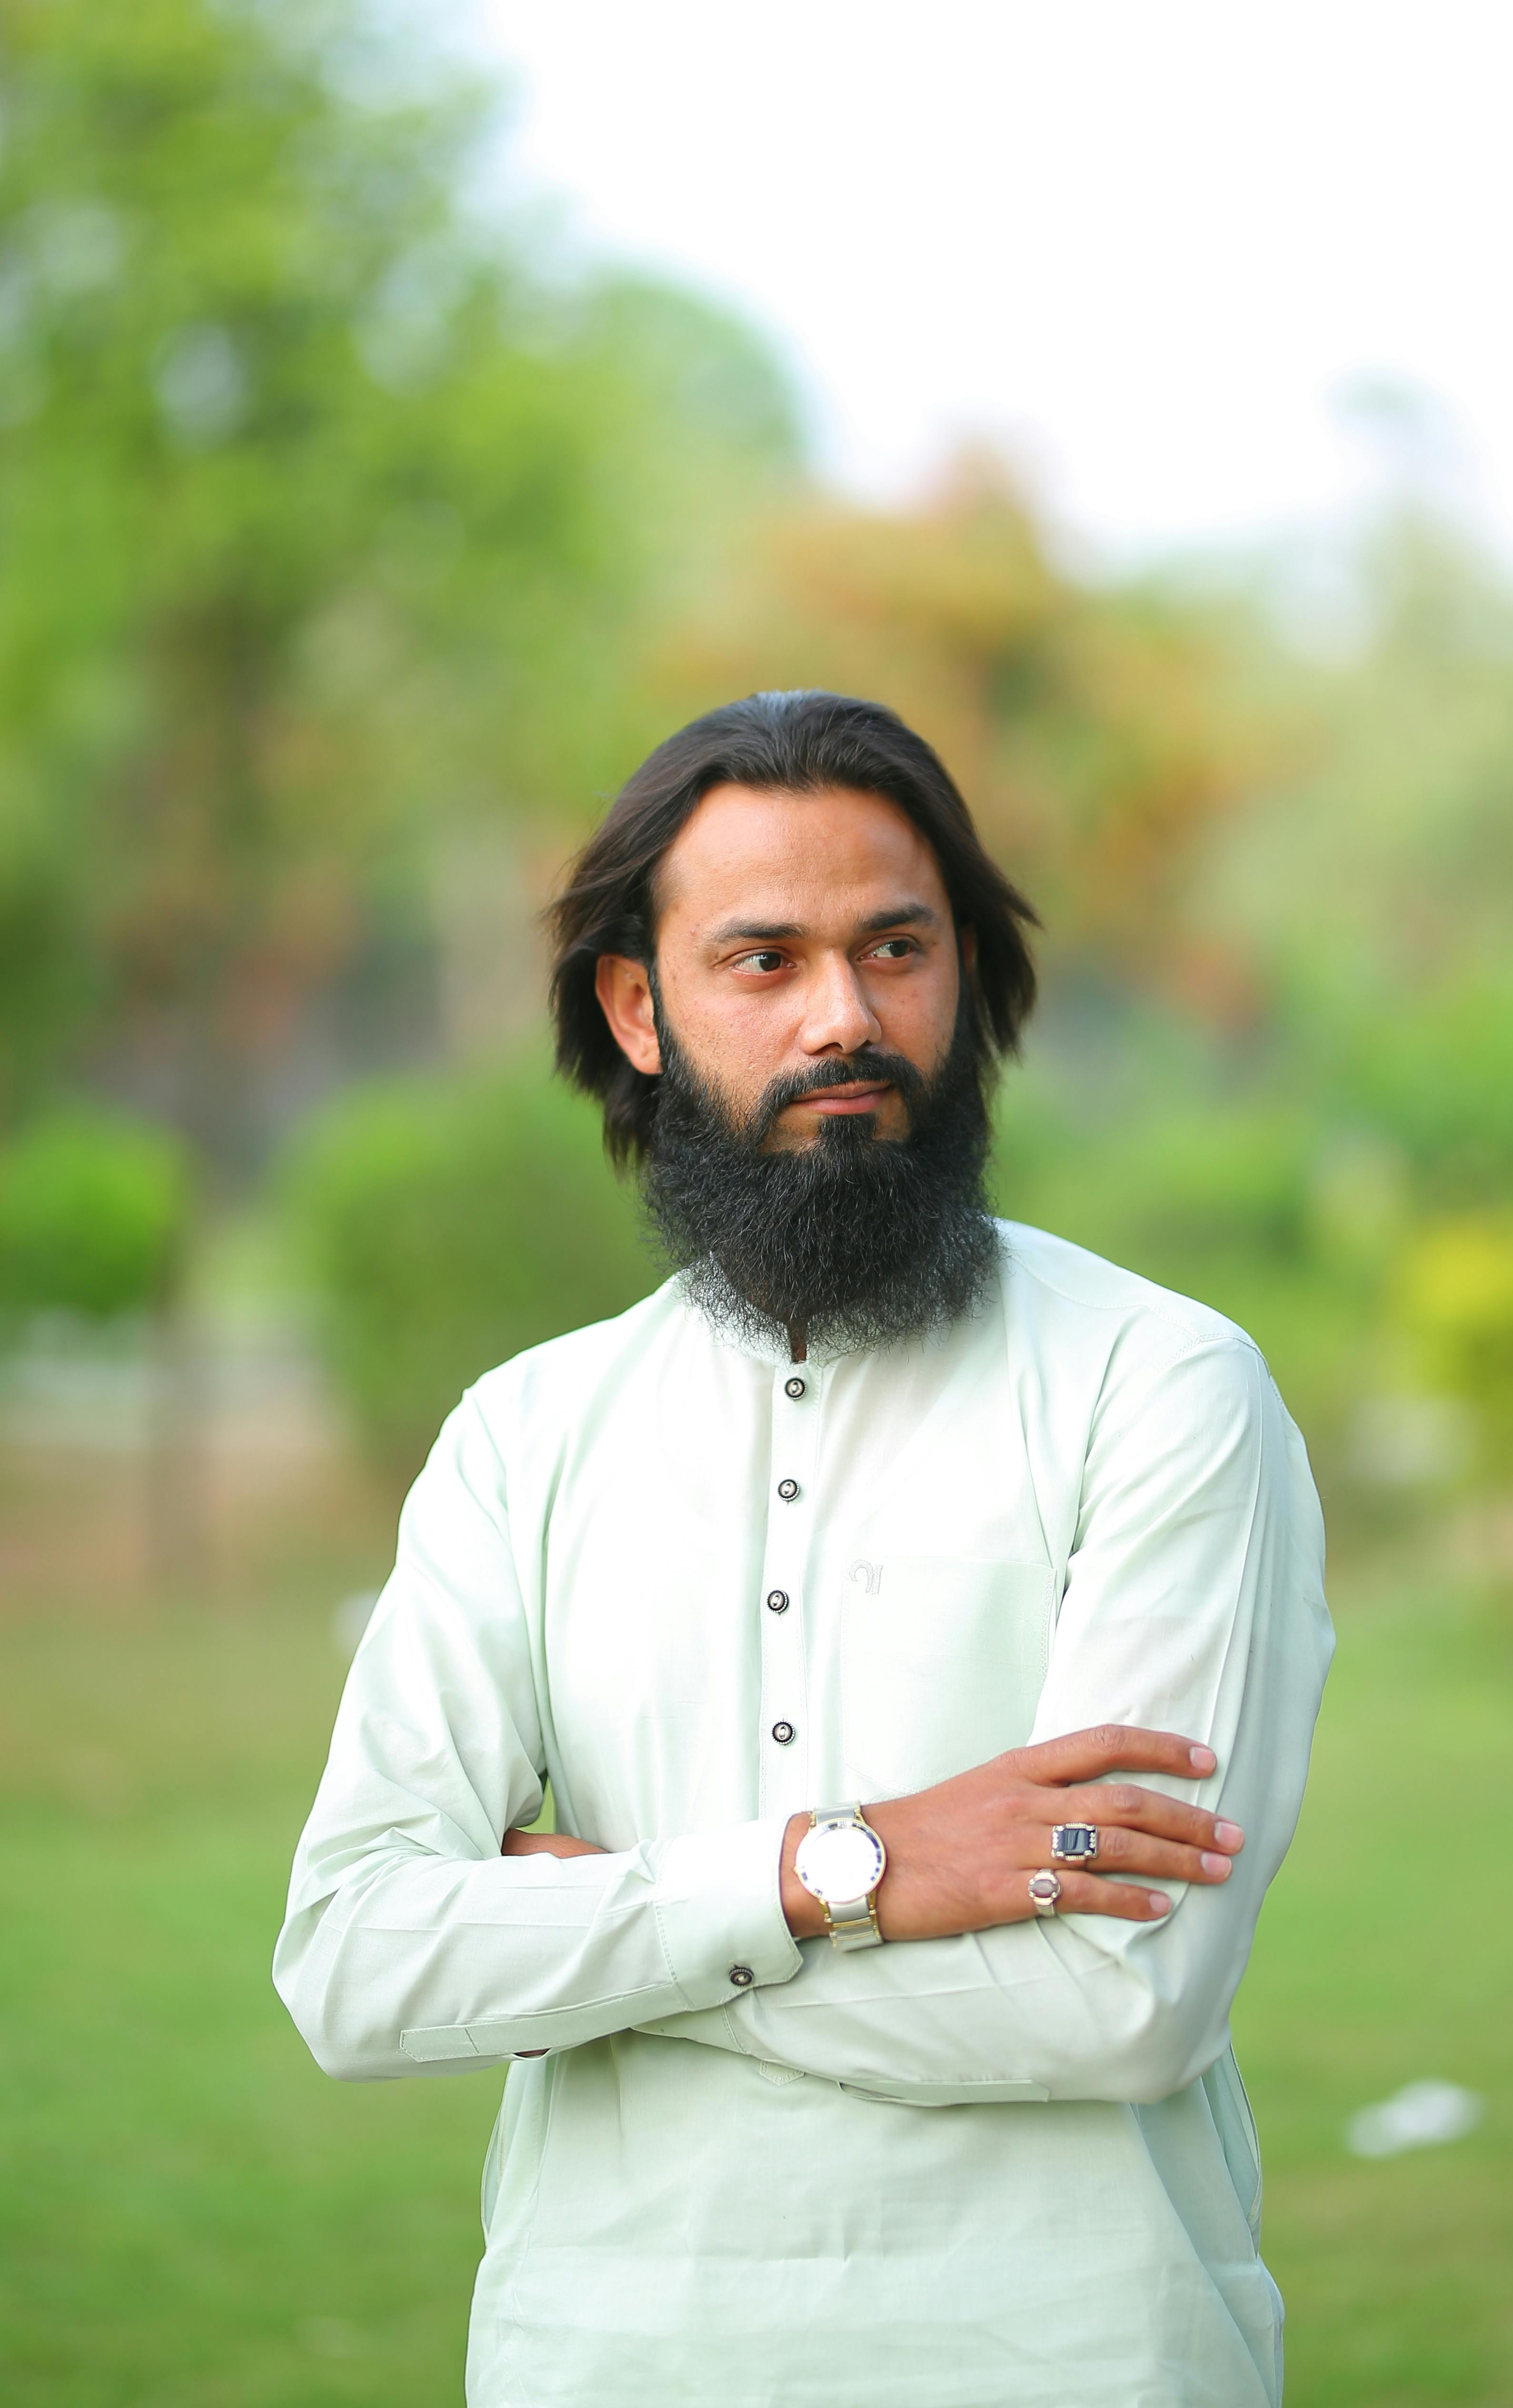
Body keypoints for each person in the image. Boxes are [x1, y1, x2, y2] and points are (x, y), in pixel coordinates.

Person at [275, 688, 1334, 2407]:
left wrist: (605, 1953)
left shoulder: (1161, 1385)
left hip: (1068, 2361)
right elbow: (357, 1963)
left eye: (897, 948)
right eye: (765, 960)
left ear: (963, 975)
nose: (848, 1018)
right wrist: (839, 1868)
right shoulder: (525, 1436)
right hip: (600, 2360)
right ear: (639, 1007)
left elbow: (1124, 2005)